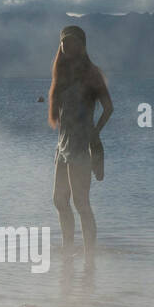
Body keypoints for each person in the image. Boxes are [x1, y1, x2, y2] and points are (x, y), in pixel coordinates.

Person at [47, 25, 112, 263]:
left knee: (81, 202)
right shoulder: (61, 75)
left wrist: (94, 134)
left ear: (82, 45)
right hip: (62, 147)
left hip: (80, 147)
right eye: (63, 42)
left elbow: (108, 108)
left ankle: (90, 257)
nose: (67, 46)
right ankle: (67, 251)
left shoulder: (91, 74)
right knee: (59, 200)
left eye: (72, 42)